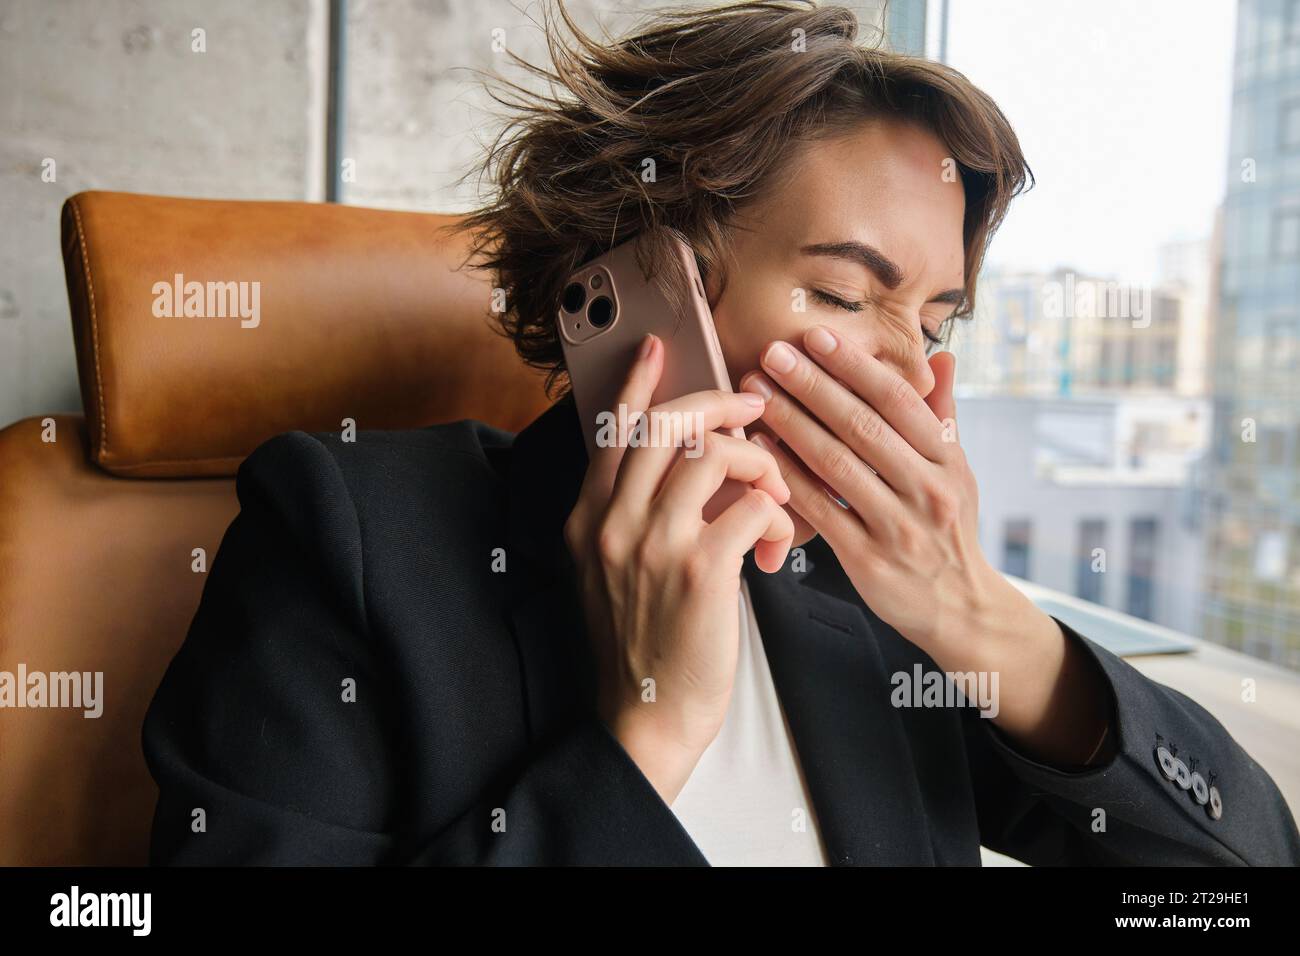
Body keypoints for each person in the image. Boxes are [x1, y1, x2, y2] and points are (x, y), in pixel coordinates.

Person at [143, 0, 1300, 866]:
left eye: (938, 319)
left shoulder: (876, 601)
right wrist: (644, 732)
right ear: (653, 284)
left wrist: (972, 612)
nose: (909, 367)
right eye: (846, 296)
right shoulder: (346, 536)